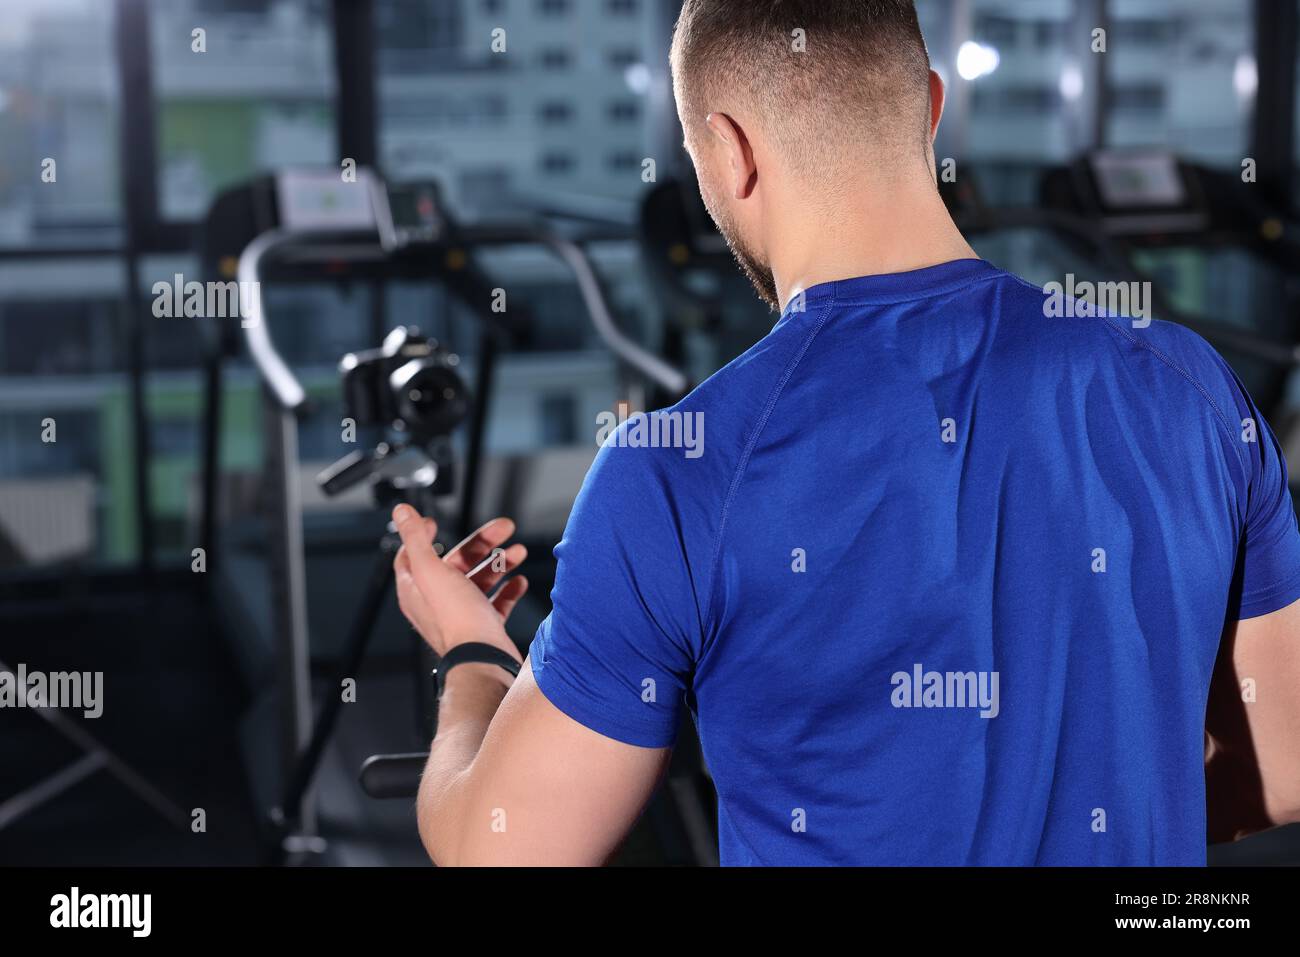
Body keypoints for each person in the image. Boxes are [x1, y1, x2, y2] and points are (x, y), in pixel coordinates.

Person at [389, 0, 1300, 865]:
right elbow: (1283, 768)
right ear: (931, 110)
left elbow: (497, 845)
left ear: (728, 151)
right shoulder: (1193, 386)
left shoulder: (670, 473)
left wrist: (473, 651)